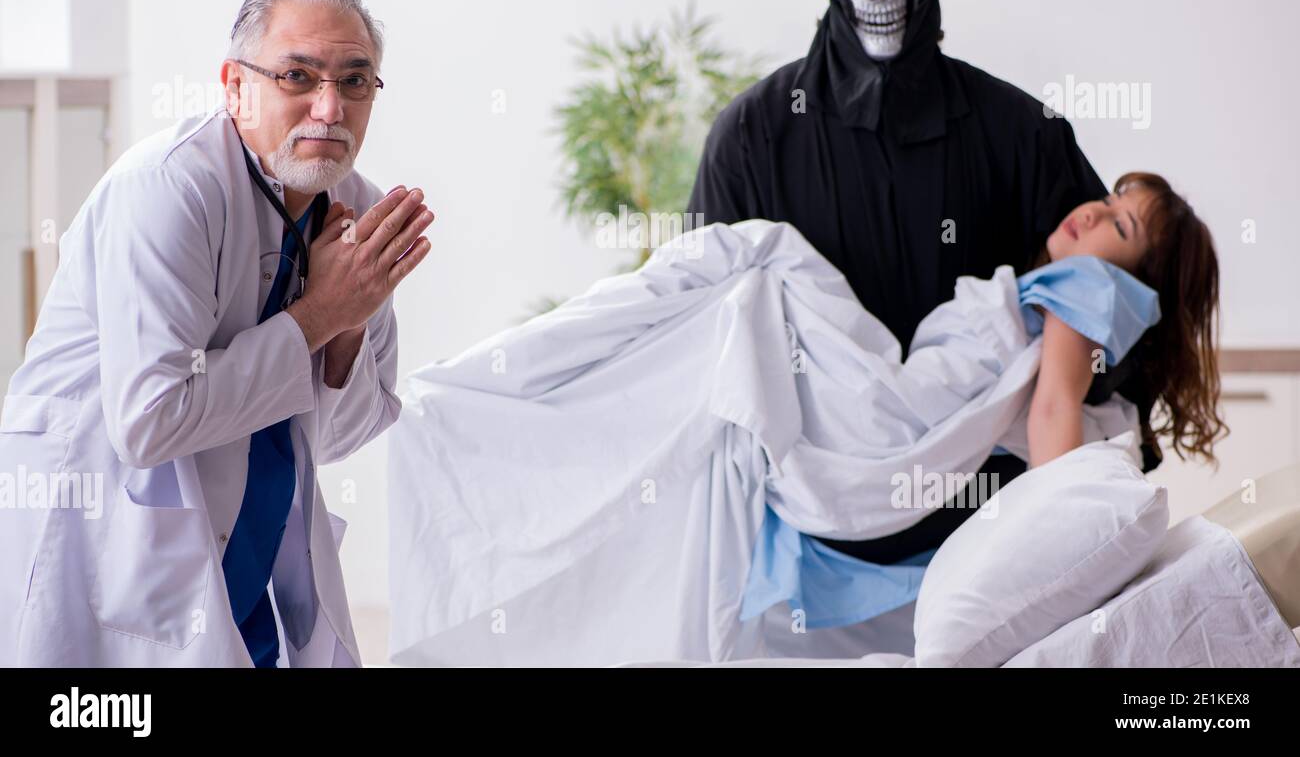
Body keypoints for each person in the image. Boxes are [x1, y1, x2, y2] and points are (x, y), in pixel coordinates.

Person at [387, 172, 1225, 665]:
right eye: (1108, 196)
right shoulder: (1070, 289)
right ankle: (505, 395)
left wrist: (1049, 525)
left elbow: (1052, 409)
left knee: (756, 267)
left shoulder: (1089, 295)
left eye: (1120, 224)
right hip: (891, 400)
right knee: (746, 277)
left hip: (885, 413)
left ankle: (494, 398)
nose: (1092, 211)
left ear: (1139, 280)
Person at [686, 0, 1152, 562]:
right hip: (812, 536)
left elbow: (1110, 309)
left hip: (992, 537)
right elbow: (701, 331)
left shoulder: (1022, 135)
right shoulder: (752, 138)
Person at [0, 0, 433, 667]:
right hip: (96, 514)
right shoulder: (169, 187)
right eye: (299, 75)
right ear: (235, 86)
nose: (330, 106)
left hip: (241, 522)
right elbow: (148, 419)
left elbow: (348, 429)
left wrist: (348, 320)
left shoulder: (357, 206)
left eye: (356, 80)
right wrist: (321, 311)